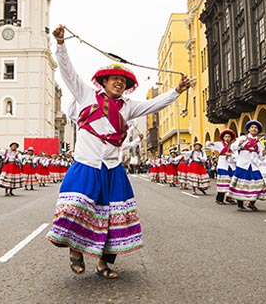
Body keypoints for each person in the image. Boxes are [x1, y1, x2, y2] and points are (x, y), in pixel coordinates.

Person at [46, 24, 190, 279]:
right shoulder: (86, 94)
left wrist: (177, 91)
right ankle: (75, 251)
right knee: (76, 209)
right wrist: (60, 44)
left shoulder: (128, 107)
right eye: (116, 80)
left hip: (113, 169)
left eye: (123, 82)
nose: (120, 84)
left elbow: (154, 104)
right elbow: (68, 73)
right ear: (104, 81)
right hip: (86, 165)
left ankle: (104, 263)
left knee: (113, 217)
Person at [229, 120, 266, 211]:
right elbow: (233, 147)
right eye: (252, 127)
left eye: (256, 128)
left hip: (254, 166)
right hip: (243, 165)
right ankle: (240, 204)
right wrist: (239, 144)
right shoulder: (243, 138)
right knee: (241, 185)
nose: (254, 129)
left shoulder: (259, 143)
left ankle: (252, 203)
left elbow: (261, 158)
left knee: (258, 184)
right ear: (249, 129)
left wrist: (263, 153)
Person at [207, 129, 236, 205]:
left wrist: (231, 155)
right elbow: (208, 145)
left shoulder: (234, 145)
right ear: (223, 137)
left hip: (232, 165)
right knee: (223, 182)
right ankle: (219, 199)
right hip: (223, 165)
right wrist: (211, 143)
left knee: (232, 182)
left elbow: (237, 154)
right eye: (226, 136)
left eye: (229, 136)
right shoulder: (219, 144)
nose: (227, 138)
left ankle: (229, 198)